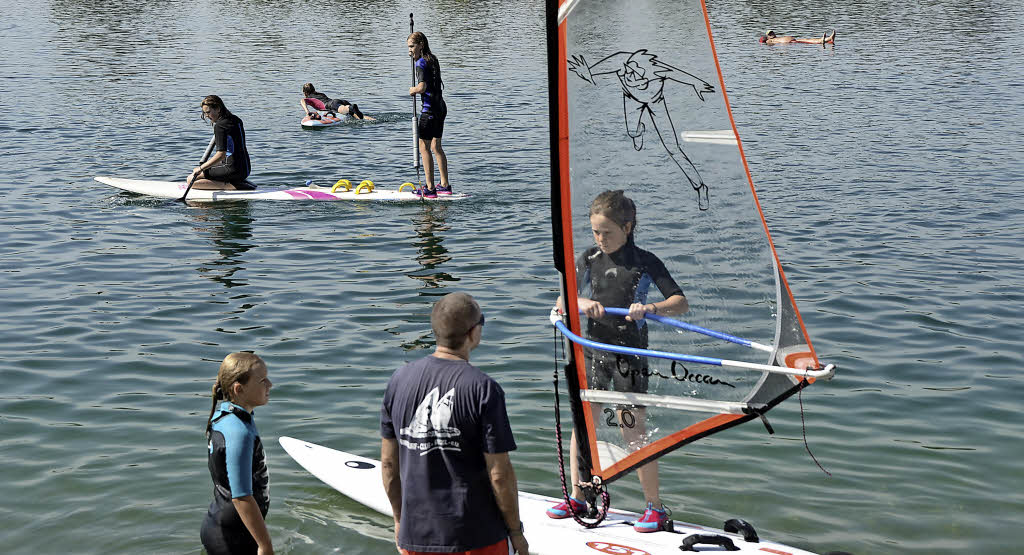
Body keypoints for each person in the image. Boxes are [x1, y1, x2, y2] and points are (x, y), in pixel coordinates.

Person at [547, 190, 689, 533]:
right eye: (595, 232)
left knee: (632, 429)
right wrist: (581, 303)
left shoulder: (645, 261)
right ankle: (580, 497)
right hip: (593, 352)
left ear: (628, 227)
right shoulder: (588, 258)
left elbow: (680, 302)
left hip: (630, 356)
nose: (600, 239)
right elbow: (562, 300)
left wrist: (650, 309)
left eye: (606, 232)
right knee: (585, 427)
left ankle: (654, 507)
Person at [380, 293, 529, 555]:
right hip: (476, 538)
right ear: (474, 332)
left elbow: (389, 465)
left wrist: (399, 521)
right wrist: (516, 532)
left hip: (416, 536)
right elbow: (499, 475)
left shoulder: (398, 380)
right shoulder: (484, 389)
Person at [201, 352, 274, 555]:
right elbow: (241, 497)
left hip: (224, 525)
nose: (270, 384)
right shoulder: (238, 431)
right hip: (232, 539)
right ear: (239, 389)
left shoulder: (226, 415)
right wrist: (265, 545)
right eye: (262, 380)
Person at [407, 31, 451, 198]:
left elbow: (422, 87)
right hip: (441, 108)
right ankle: (445, 185)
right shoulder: (433, 59)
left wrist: (413, 90)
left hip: (430, 110)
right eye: (409, 47)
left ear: (421, 45)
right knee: (436, 146)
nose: (409, 50)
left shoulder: (420, 63)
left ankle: (430, 188)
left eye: (412, 46)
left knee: (424, 147)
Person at [189, 95, 253, 191]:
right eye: (205, 113)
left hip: (232, 169)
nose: (206, 116)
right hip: (245, 168)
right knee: (206, 170)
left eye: (208, 112)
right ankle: (236, 181)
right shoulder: (236, 120)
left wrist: (201, 168)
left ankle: (233, 186)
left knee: (191, 180)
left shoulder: (220, 126)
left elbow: (221, 155)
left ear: (218, 108)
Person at [299, 82, 371, 120]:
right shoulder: (320, 94)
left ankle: (349, 108)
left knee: (348, 109)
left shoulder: (309, 97)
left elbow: (302, 100)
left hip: (331, 105)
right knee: (359, 117)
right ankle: (371, 119)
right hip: (336, 101)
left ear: (305, 92)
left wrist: (307, 111)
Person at [760, 29, 836, 45]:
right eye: (770, 34)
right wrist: (764, 39)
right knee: (808, 41)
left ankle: (829, 38)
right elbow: (763, 41)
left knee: (807, 39)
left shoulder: (775, 38)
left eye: (772, 32)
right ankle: (822, 40)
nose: (772, 34)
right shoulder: (770, 41)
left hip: (794, 40)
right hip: (792, 42)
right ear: (768, 37)